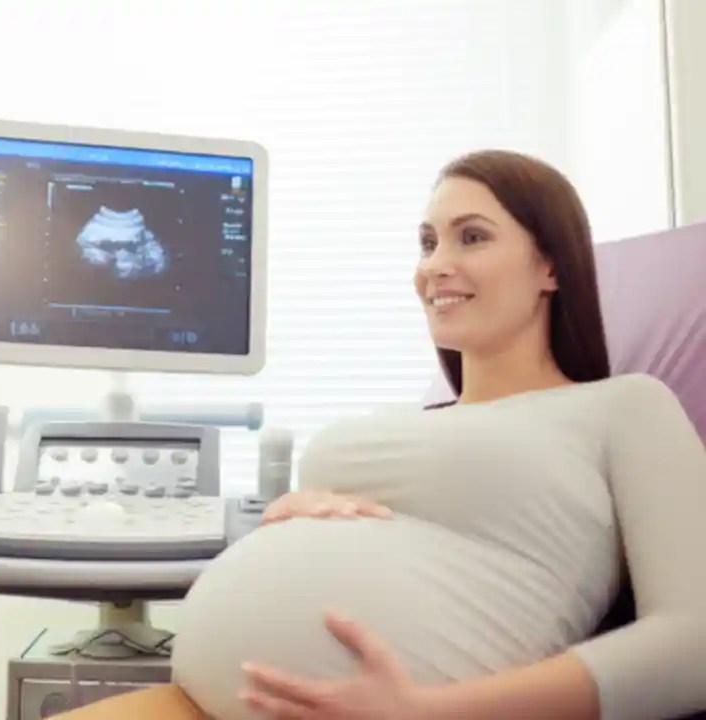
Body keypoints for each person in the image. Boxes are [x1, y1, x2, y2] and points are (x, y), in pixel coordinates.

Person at [58, 150, 706, 720]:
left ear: (551, 267)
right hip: (192, 702)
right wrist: (285, 522)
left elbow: (692, 643)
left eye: (472, 237)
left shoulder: (623, 407)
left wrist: (429, 713)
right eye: (427, 243)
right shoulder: (403, 423)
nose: (435, 267)